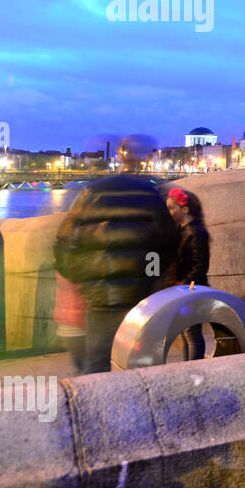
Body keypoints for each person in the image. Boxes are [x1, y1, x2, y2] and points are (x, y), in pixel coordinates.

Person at [52, 135, 179, 373]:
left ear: (120, 158)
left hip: (100, 298)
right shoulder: (150, 195)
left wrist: (91, 277)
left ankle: (97, 407)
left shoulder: (92, 193)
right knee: (140, 362)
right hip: (139, 298)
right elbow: (166, 245)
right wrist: (149, 276)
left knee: (98, 361)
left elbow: (65, 246)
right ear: (144, 159)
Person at [165, 186, 210, 359]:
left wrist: (183, 283)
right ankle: (186, 368)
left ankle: (193, 368)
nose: (168, 212)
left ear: (184, 209)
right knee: (185, 333)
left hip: (192, 289)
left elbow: (200, 266)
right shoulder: (182, 230)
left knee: (191, 333)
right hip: (183, 289)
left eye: (171, 208)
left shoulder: (196, 232)